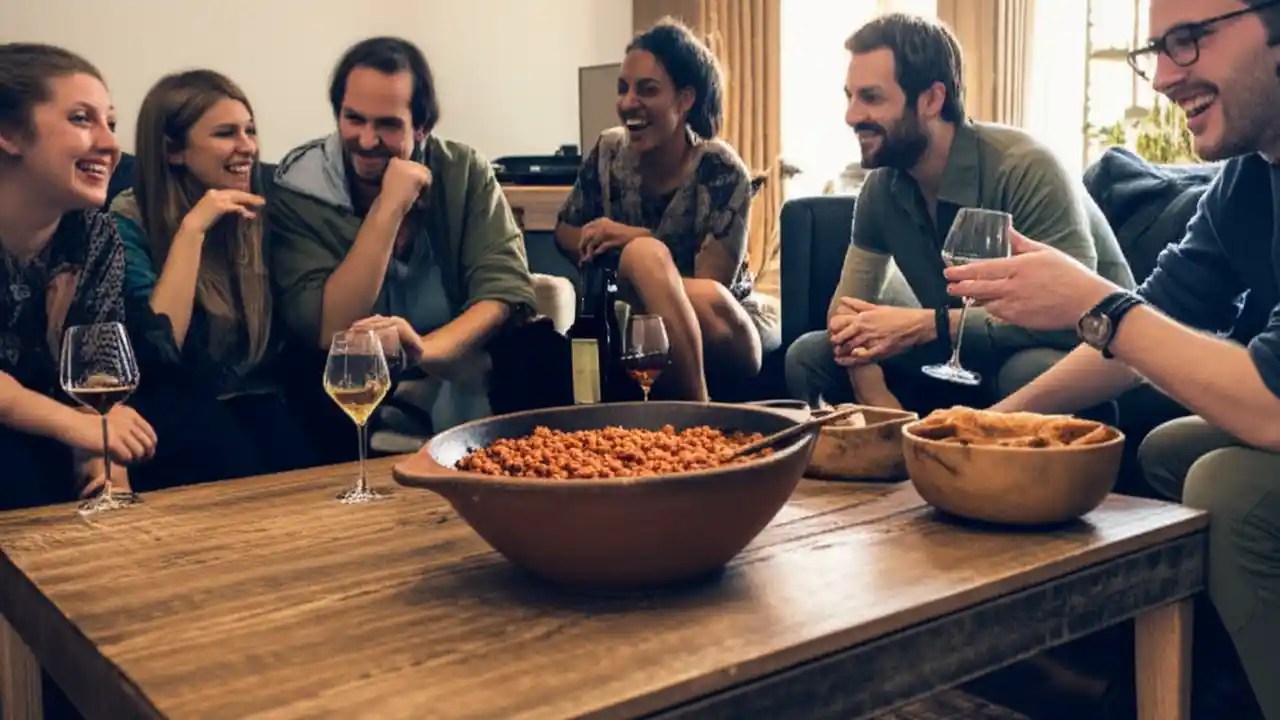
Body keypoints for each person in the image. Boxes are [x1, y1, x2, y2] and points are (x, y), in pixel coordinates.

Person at [944, 1, 1280, 715]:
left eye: (1189, 40)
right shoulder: (1251, 176)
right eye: (1156, 49)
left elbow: (1272, 408)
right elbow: (1157, 314)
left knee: (1229, 486)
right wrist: (989, 425)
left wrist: (1093, 303)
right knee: (1171, 447)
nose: (1162, 77)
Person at [784, 13, 1134, 414]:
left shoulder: (1024, 167)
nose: (851, 116)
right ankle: (899, 448)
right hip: (958, 350)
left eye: (871, 98)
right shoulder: (881, 188)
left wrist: (927, 325)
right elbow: (846, 311)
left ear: (932, 100)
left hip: (1084, 351)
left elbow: (1074, 315)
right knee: (808, 356)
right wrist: (877, 396)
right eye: (850, 96)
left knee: (1028, 370)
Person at [270, 36, 547, 455]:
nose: (366, 140)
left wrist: (422, 349)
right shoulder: (301, 188)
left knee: (539, 352)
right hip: (353, 371)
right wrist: (390, 206)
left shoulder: (463, 170)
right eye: (353, 119)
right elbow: (329, 328)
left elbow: (504, 291)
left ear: (421, 128)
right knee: (303, 374)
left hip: (452, 358)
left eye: (387, 125)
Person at [555, 18, 779, 402]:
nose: (628, 103)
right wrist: (600, 245)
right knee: (641, 259)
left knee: (644, 254)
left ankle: (696, 410)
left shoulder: (721, 170)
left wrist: (638, 244)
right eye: (623, 88)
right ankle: (698, 417)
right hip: (633, 307)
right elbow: (565, 230)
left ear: (684, 99)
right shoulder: (608, 151)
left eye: (648, 90)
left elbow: (711, 284)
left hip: (726, 320)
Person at [110, 70, 315, 488]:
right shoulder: (127, 221)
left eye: (249, 130)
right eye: (226, 133)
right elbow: (159, 347)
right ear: (173, 150)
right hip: (177, 404)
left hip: (258, 394)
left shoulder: (269, 205)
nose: (248, 147)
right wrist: (193, 230)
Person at [0, 44, 157, 509]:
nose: (111, 145)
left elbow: (96, 369)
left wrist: (105, 462)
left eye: (111, 123)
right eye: (82, 119)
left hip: (43, 429)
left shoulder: (94, 235)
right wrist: (78, 427)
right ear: (8, 133)